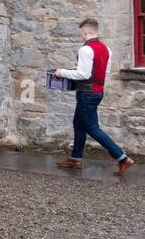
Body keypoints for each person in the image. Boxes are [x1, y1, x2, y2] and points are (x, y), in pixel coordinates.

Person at [55, 18, 135, 176]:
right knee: (78, 124)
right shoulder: (106, 49)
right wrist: (77, 70)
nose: (81, 35)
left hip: (86, 94)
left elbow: (83, 74)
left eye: (81, 33)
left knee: (92, 128)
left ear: (85, 31)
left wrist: (61, 72)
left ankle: (122, 158)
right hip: (97, 92)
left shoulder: (85, 50)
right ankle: (75, 159)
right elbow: (103, 72)